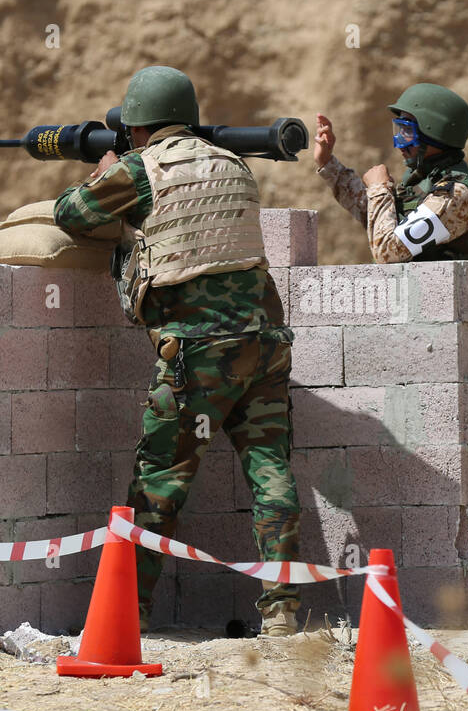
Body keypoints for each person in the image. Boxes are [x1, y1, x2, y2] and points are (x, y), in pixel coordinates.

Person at [54, 65, 302, 637]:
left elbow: (73, 214)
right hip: (264, 341)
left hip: (197, 350)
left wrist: (104, 172)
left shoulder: (141, 169)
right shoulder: (234, 163)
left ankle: (129, 612)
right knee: (270, 470)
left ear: (137, 126)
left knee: (161, 478)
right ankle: (284, 610)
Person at [312, 84, 468, 294]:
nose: (399, 142)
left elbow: (387, 251)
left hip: (437, 316)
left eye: (407, 130)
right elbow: (379, 219)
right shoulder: (425, 181)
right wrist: (328, 163)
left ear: (432, 132)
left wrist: (380, 188)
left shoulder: (454, 194)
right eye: (400, 129)